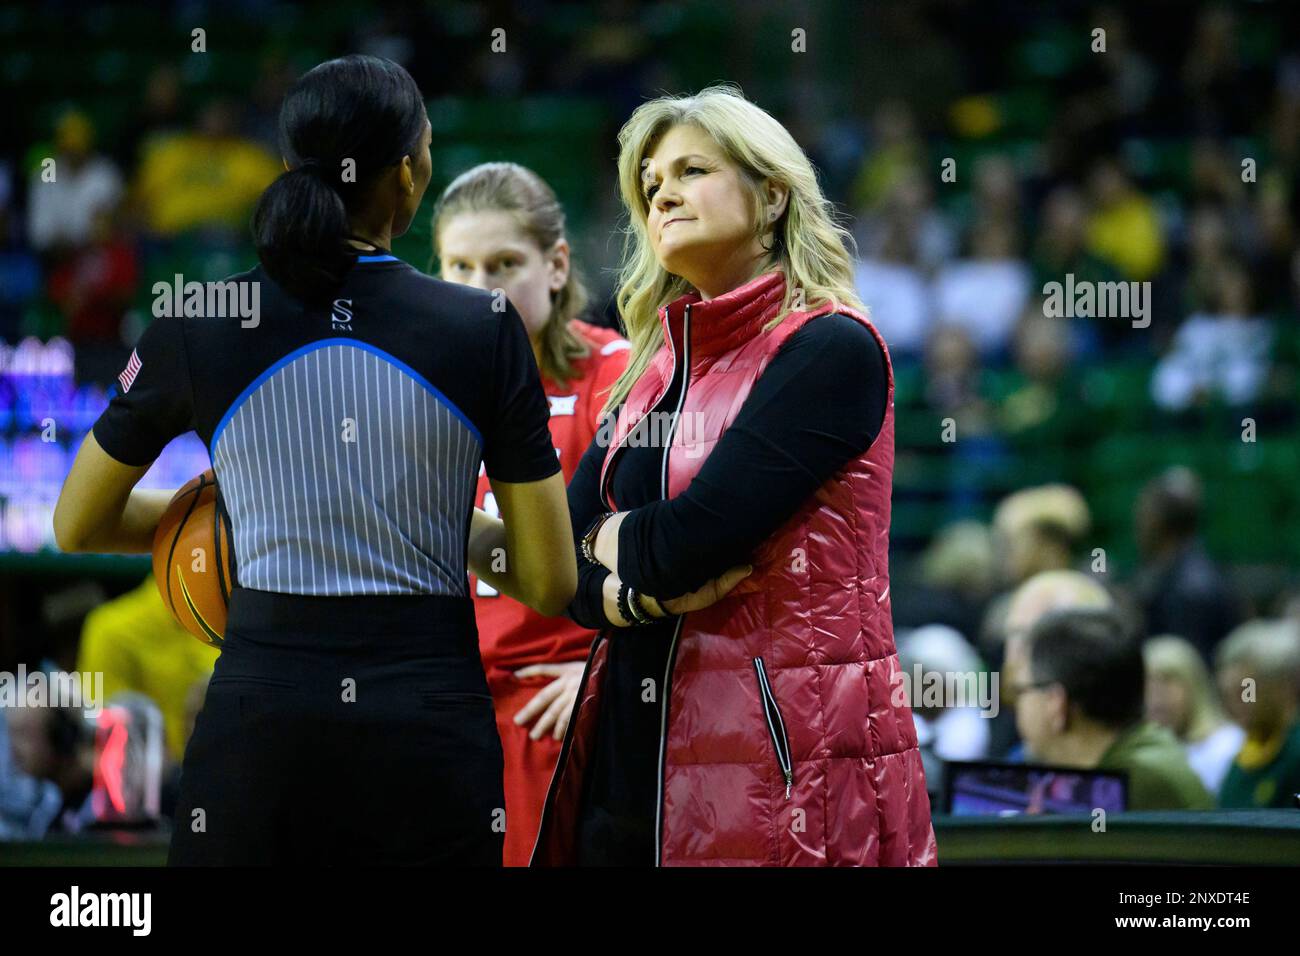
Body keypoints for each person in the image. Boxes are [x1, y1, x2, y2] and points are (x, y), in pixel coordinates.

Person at [52, 55, 576, 865]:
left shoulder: (198, 320)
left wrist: (246, 519)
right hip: (427, 737)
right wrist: (434, 526)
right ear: (408, 175)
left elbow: (78, 523)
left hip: (258, 735)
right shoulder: (485, 326)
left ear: (290, 168)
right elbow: (549, 580)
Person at [527, 84, 937, 866]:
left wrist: (612, 541)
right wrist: (633, 586)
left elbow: (691, 542)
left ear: (773, 193)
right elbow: (564, 561)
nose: (664, 194)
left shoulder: (828, 351)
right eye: (650, 184)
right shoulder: (653, 367)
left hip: (780, 759)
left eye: (691, 170)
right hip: (628, 746)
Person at [432, 161, 630, 866]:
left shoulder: (621, 378)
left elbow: (678, 558)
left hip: (560, 711)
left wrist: (607, 671)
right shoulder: (411, 393)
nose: (481, 289)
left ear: (556, 266)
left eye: (504, 264)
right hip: (445, 715)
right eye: (460, 265)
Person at [1015, 608, 1213, 810]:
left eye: (1020, 691)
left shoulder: (1128, 789)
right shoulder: (1138, 762)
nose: (1016, 706)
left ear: (1055, 704)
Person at [1143, 634, 1245, 796]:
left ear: (1194, 687)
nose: (1155, 697)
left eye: (1166, 683)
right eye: (1147, 684)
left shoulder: (1229, 747)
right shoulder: (1140, 753)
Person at [1215, 619, 1300, 809]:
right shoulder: (1243, 757)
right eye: (1230, 694)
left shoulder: (1295, 752)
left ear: (1284, 686)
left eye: (1248, 691)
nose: (1239, 703)